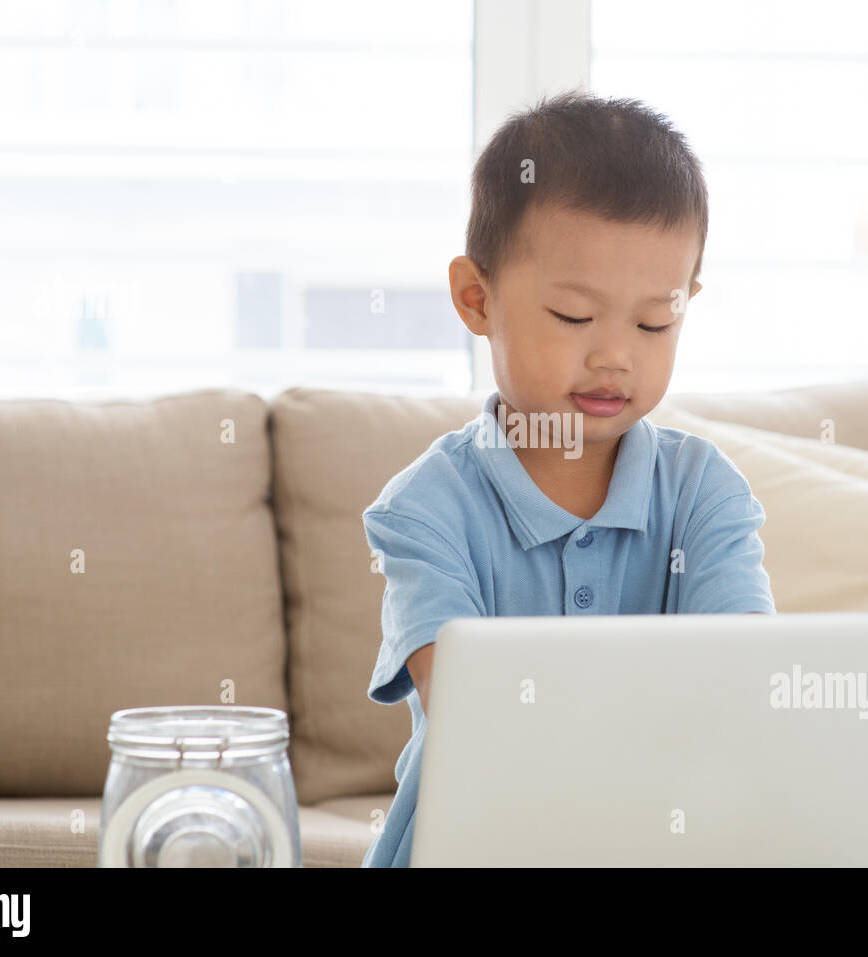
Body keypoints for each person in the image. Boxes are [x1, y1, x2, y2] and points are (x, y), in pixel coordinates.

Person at [361, 90, 775, 867]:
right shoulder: (426, 511)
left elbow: (740, 691)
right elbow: (479, 720)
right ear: (475, 298)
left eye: (656, 322)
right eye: (576, 317)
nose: (616, 354)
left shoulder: (704, 493)